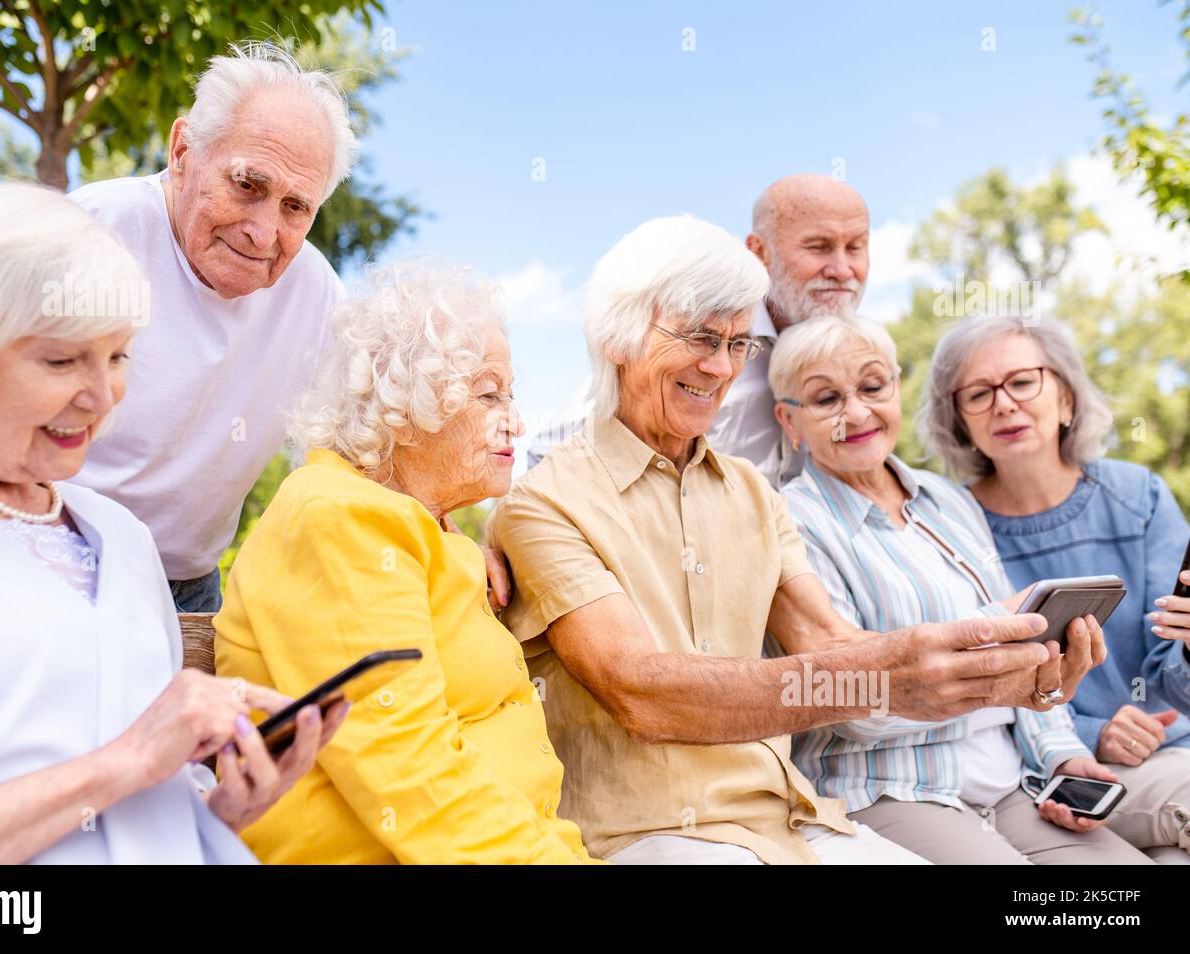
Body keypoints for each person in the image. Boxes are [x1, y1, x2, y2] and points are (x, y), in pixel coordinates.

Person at [489, 215, 1099, 865]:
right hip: (649, 831)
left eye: (735, 343)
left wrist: (998, 677)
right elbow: (645, 694)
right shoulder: (544, 502)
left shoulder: (754, 492)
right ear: (621, 336)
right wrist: (891, 677)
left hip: (789, 819)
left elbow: (830, 644)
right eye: (700, 337)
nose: (719, 367)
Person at [0, 185, 347, 864]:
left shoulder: (121, 537)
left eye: (119, 357)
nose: (103, 397)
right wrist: (124, 764)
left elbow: (158, 786)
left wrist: (224, 807)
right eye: (61, 359)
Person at [215, 262, 595, 864]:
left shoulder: (423, 527)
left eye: (512, 394)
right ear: (408, 406)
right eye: (489, 393)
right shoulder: (337, 519)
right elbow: (407, 764)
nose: (516, 422)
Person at [772, 314, 1147, 863]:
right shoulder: (793, 522)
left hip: (1012, 781)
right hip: (891, 788)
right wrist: (997, 641)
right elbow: (849, 701)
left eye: (873, 386)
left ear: (897, 388)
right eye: (826, 399)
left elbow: (1029, 660)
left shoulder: (948, 501)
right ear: (790, 422)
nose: (857, 413)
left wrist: (1063, 757)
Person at [67, 41, 357, 612]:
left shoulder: (318, 294)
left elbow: (371, 442)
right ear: (182, 152)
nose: (263, 232)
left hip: (188, 585)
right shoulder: (86, 234)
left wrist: (456, 534)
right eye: (247, 184)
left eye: (296, 207)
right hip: (53, 552)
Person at [922, 314, 1190, 862]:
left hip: (1172, 752)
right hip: (1057, 776)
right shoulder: (949, 526)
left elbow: (1176, 681)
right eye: (978, 393)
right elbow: (975, 691)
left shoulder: (1137, 496)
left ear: (1066, 400)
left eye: (1022, 382)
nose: (1003, 404)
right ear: (959, 422)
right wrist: (1094, 733)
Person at [524, 173, 870, 487]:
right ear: (759, 252)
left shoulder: (857, 351)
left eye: (855, 247)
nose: (842, 269)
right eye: (819, 247)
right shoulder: (693, 330)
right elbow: (548, 457)